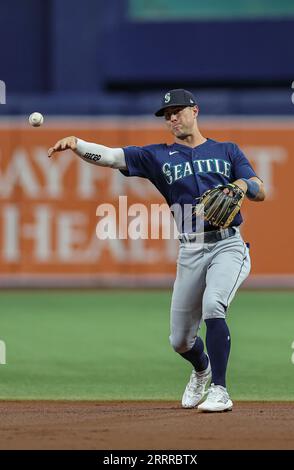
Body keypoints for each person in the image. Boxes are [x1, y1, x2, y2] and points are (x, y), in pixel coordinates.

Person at [48, 89, 266, 412]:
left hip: (228, 244)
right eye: (167, 115)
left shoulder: (227, 151)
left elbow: (260, 189)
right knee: (179, 341)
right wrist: (78, 146)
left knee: (213, 305)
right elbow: (110, 157)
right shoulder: (158, 156)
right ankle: (201, 369)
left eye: (177, 111)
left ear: (195, 111)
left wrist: (242, 185)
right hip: (190, 249)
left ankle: (220, 390)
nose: (172, 118)